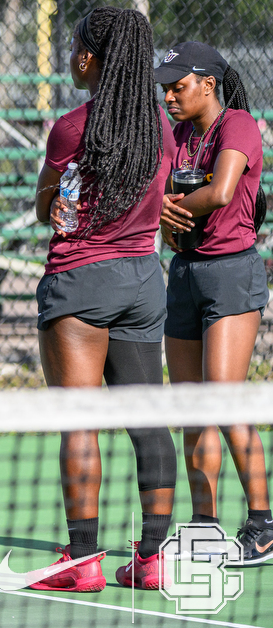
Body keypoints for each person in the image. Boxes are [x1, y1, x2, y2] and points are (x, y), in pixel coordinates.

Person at [31, 6, 178, 592]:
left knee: (79, 424)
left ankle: (83, 561)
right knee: (149, 422)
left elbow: (47, 206)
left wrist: (54, 198)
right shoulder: (162, 129)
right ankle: (152, 558)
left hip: (81, 285)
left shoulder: (72, 127)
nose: (70, 57)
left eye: (74, 48)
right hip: (144, 282)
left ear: (91, 59)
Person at [156, 41, 273, 565]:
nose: (170, 97)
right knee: (192, 409)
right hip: (183, 274)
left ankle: (264, 523)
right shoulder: (178, 136)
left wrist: (164, 210)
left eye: (178, 87)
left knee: (223, 401)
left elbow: (223, 191)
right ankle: (205, 526)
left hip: (230, 274)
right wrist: (159, 210)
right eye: (165, 90)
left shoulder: (239, 125)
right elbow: (154, 193)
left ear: (207, 83)